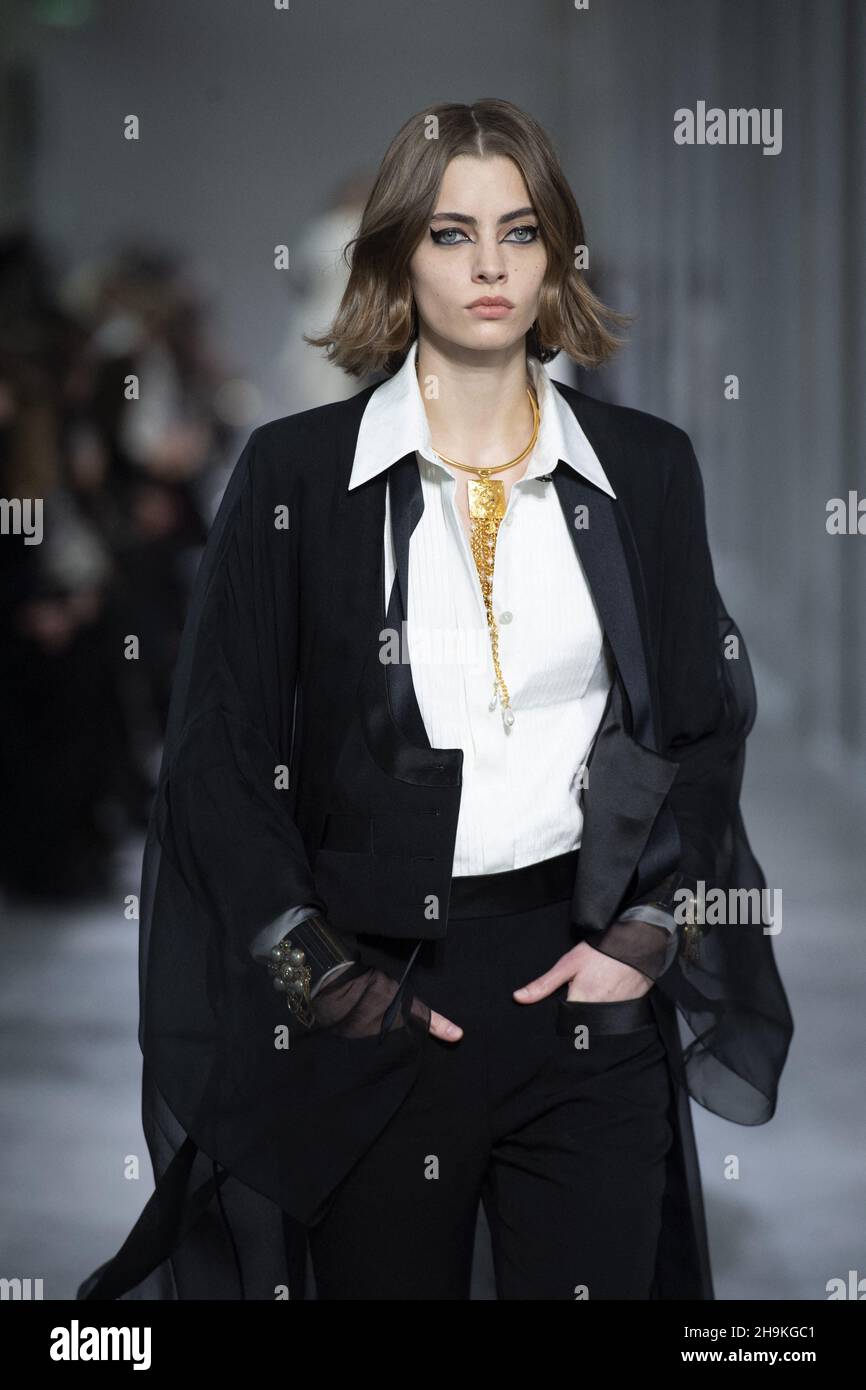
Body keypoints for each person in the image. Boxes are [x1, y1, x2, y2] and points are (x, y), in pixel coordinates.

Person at [78, 97, 793, 1302]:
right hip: (377, 998)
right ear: (398, 256)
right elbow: (219, 753)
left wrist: (645, 933)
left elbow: (700, 721)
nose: (490, 266)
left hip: (582, 992)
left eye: (518, 232)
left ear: (554, 252)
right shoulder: (297, 475)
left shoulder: (645, 468)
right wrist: (321, 976)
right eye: (451, 234)